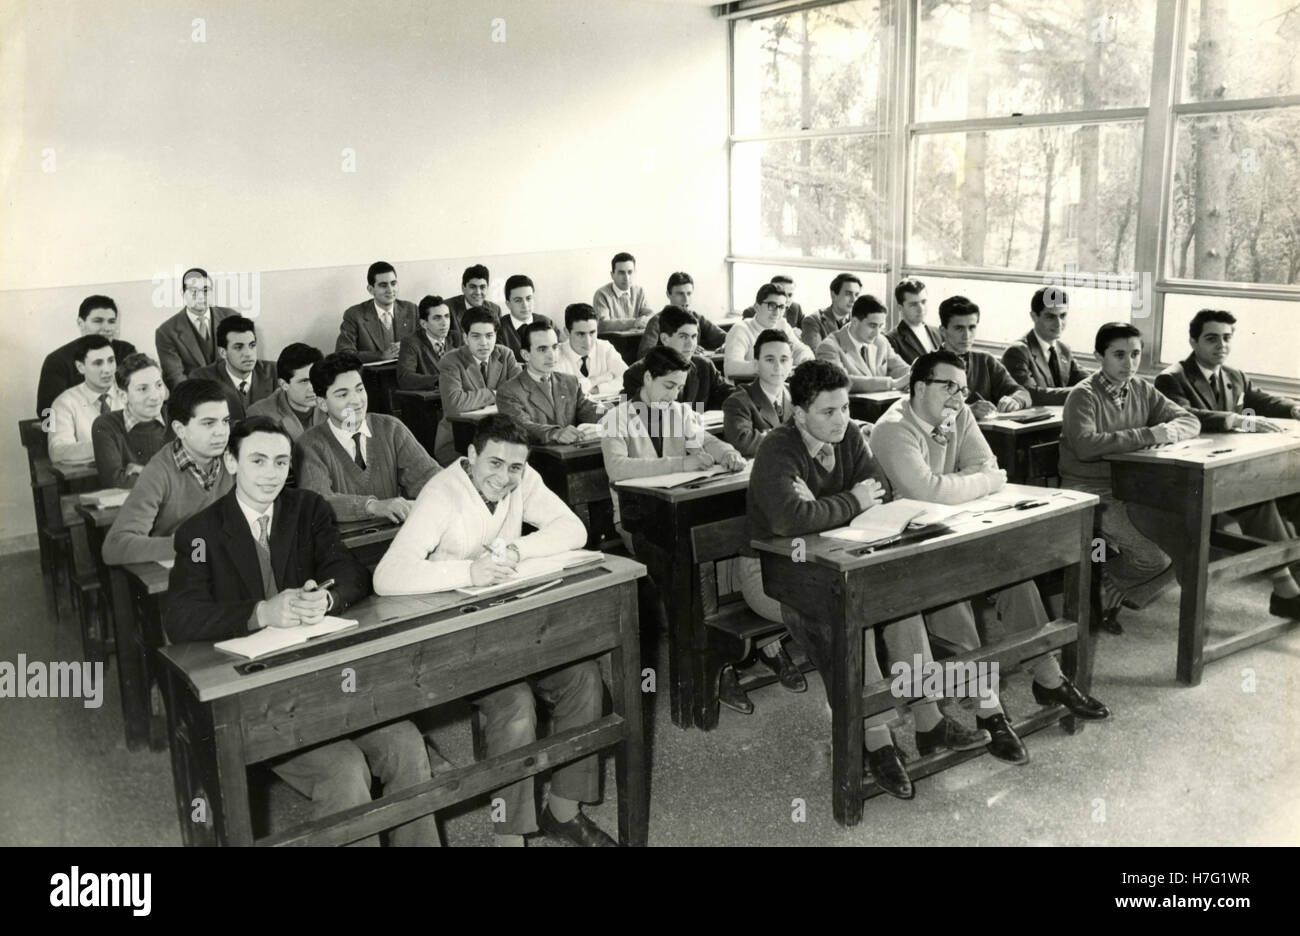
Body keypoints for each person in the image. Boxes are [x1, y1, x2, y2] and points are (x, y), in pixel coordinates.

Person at [165, 417, 438, 847]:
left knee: (405, 744)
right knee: (344, 768)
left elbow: (348, 572)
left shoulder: (307, 508)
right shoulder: (199, 533)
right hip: (259, 699)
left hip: (325, 679)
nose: (271, 473)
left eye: (280, 462)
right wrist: (260, 613)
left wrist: (326, 600)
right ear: (231, 462)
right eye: (257, 461)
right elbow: (180, 616)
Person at [742, 360, 990, 798]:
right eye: (828, 412)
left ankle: (929, 720)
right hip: (774, 572)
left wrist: (826, 504)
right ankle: (877, 741)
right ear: (799, 414)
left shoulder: (850, 435)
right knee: (848, 619)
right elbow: (788, 520)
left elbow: (880, 489)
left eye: (844, 408)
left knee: (899, 604)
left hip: (840, 557)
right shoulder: (777, 450)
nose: (841, 420)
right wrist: (852, 499)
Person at [373, 414, 613, 847]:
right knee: (516, 705)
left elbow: (573, 529)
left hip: (511, 631)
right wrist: (469, 570)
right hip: (453, 642)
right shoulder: (442, 494)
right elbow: (386, 576)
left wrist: (518, 549)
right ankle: (510, 836)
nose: (504, 478)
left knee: (585, 679)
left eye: (515, 467)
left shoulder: (522, 476)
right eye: (494, 465)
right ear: (471, 458)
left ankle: (563, 810)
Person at [872, 350, 1111, 757]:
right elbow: (929, 491)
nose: (957, 397)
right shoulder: (893, 429)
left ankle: (1047, 675)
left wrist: (964, 481)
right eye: (948, 386)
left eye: (962, 388)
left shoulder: (958, 413)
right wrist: (976, 480)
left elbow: (988, 466)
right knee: (960, 592)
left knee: (1015, 574)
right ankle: (988, 708)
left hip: (952, 531)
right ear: (918, 387)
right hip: (902, 553)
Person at [1154, 309, 1300, 619]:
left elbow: (1264, 401)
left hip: (1230, 467)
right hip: (1191, 477)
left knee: (1292, 490)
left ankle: (1292, 574)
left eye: (1226, 338)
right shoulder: (1171, 378)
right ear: (1193, 341)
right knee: (1254, 501)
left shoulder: (1234, 375)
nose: (1221, 345)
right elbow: (1187, 415)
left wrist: (1295, 408)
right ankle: (1284, 587)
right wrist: (1239, 421)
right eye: (1211, 338)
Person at [1059, 323, 1201, 633]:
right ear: (1099, 356)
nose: (1130, 363)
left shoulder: (1142, 388)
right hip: (1089, 491)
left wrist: (1172, 431)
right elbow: (1085, 446)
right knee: (1154, 559)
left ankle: (1109, 589)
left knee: (1186, 542)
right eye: (1119, 355)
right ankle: (1105, 586)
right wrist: (1149, 434)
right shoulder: (1082, 395)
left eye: (1135, 354)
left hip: (1134, 488)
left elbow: (1189, 419)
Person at [602, 347, 746, 549]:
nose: (673, 395)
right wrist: (682, 464)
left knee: (715, 533)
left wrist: (727, 453)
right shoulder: (615, 418)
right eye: (669, 386)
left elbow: (706, 441)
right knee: (683, 546)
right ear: (648, 378)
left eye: (679, 388)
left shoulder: (680, 411)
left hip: (676, 506)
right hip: (635, 516)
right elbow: (617, 468)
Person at [296, 352, 439, 523]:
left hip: (394, 537)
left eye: (359, 389)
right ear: (322, 403)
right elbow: (319, 501)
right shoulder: (310, 444)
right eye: (342, 395)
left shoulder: (390, 428)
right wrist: (373, 506)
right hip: (342, 543)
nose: (356, 401)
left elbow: (429, 476)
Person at [102, 379, 234, 565]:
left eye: (225, 421)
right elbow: (115, 546)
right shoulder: (158, 472)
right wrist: (193, 545)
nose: (221, 432)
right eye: (209, 423)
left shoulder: (237, 457)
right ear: (180, 430)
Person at [434, 308, 522, 465]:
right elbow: (454, 404)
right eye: (476, 336)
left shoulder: (506, 355)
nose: (484, 343)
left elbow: (521, 394)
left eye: (489, 336)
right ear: (465, 338)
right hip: (459, 443)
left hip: (503, 438)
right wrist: (494, 394)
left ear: (496, 336)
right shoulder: (451, 361)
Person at [496, 322, 604, 445]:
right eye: (542, 349)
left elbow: (591, 409)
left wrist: (617, 415)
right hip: (538, 458)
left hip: (571, 455)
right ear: (526, 355)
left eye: (555, 347)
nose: (551, 356)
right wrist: (555, 433)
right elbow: (521, 427)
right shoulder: (509, 391)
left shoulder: (570, 382)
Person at [621, 305, 736, 410]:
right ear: (665, 339)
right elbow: (640, 421)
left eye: (694, 337)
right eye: (683, 337)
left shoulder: (705, 366)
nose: (690, 344)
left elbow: (732, 396)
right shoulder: (636, 373)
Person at [37, 295, 136, 415]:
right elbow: (48, 411)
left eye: (111, 321)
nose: (107, 328)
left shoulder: (126, 351)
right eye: (98, 321)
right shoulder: (58, 360)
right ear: (81, 323)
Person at [936, 296, 1031, 417]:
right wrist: (967, 410)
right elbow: (924, 412)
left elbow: (1022, 392)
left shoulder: (985, 360)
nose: (966, 336)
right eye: (959, 328)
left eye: (972, 327)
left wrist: (1015, 401)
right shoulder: (925, 364)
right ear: (943, 330)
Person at [91, 352, 171, 489]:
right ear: (123, 396)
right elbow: (115, 482)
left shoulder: (177, 416)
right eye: (143, 389)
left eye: (158, 385)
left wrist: (144, 472)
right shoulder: (106, 425)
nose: (155, 396)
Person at [1001, 287, 1087, 405]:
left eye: (1062, 315)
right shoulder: (1017, 352)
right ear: (1034, 316)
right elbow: (1030, 394)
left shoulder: (1063, 349)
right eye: (1050, 317)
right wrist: (1082, 392)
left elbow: (1086, 380)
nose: (1058, 324)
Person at [155, 267, 237, 389]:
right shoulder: (166, 332)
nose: (200, 296)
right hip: (194, 399)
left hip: (232, 394)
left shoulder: (231, 317)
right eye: (193, 291)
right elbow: (176, 378)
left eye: (205, 290)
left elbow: (241, 363)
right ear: (182, 294)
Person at [48, 335, 125, 462]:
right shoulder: (63, 403)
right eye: (98, 363)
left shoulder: (129, 392)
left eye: (111, 361)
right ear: (80, 367)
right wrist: (107, 446)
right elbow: (57, 451)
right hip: (89, 478)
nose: (107, 370)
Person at [815, 294, 910, 393]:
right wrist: (892, 383)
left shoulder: (881, 341)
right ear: (854, 321)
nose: (877, 333)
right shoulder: (828, 347)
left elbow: (901, 368)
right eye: (872, 326)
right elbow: (840, 382)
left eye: (880, 326)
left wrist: (912, 380)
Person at [722, 329, 794, 459]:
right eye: (770, 360)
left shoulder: (800, 395)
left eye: (784, 360)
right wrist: (795, 438)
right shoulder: (739, 401)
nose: (778, 367)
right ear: (756, 365)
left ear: (791, 364)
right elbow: (743, 443)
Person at [189, 315, 277, 421]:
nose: (248, 354)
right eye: (238, 347)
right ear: (223, 352)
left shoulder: (275, 371)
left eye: (252, 345)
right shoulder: (202, 379)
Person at [723, 284, 814, 379]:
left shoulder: (782, 325)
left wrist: (805, 360)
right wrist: (769, 367)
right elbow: (730, 368)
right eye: (772, 306)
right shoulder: (741, 329)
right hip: (748, 389)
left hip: (779, 387)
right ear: (757, 307)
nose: (777, 313)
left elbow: (801, 350)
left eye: (782, 307)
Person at [336, 261, 419, 363]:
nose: (390, 290)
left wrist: (410, 347)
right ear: (371, 289)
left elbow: (427, 344)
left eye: (393, 283)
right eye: (383, 285)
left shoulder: (411, 309)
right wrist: (381, 356)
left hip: (407, 375)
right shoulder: (355, 315)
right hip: (372, 377)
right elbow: (343, 354)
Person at [246, 343, 328, 440]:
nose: (314, 388)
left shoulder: (334, 403)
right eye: (304, 381)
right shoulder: (260, 415)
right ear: (284, 384)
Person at [635, 272, 728, 358]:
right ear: (668, 294)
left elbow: (727, 338)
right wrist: (685, 348)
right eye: (680, 294)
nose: (686, 300)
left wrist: (726, 346)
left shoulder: (697, 318)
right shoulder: (656, 321)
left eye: (689, 294)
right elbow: (644, 354)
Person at [555, 303, 628, 395]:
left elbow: (628, 380)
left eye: (592, 332)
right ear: (567, 332)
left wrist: (596, 389)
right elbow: (562, 392)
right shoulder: (555, 355)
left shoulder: (605, 348)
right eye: (581, 334)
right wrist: (596, 380)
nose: (588, 342)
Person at [396, 295, 461, 391]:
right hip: (430, 399)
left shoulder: (457, 338)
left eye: (447, 316)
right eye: (437, 318)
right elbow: (405, 378)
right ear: (424, 324)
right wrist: (439, 380)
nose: (444, 323)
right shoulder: (410, 343)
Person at [494, 274, 564, 361]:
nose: (525, 305)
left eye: (529, 298)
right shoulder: (499, 328)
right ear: (508, 304)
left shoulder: (547, 323)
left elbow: (562, 354)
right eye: (518, 300)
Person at [592, 251, 654, 333]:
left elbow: (651, 316)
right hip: (612, 342)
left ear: (635, 273)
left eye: (630, 272)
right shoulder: (601, 294)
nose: (627, 278)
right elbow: (602, 325)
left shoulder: (639, 291)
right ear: (612, 275)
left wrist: (646, 319)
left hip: (637, 340)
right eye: (621, 273)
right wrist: (634, 323)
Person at [885, 278, 942, 364]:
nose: (921, 309)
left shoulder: (939, 332)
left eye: (923, 302)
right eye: (913, 304)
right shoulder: (891, 340)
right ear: (900, 308)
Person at [800, 273, 862, 349]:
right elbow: (817, 356)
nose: (853, 300)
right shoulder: (812, 321)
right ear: (833, 295)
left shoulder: (861, 322)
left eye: (856, 295)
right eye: (848, 294)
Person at [445, 264, 504, 338]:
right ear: (463, 288)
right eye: (473, 287)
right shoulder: (447, 308)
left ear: (487, 288)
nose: (478, 292)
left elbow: (498, 341)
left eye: (482, 287)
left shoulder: (495, 309)